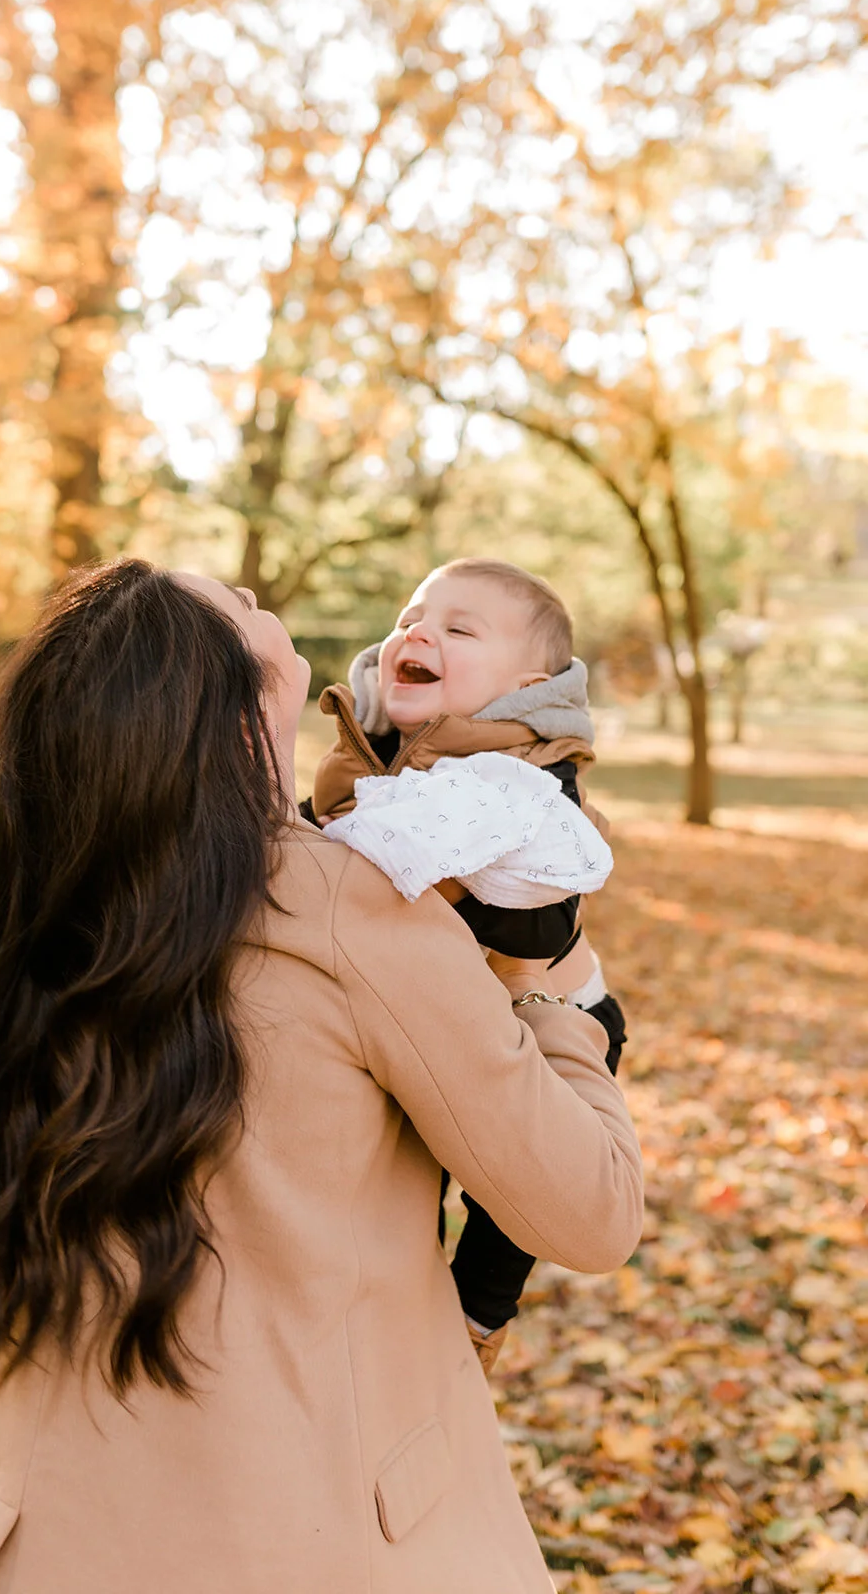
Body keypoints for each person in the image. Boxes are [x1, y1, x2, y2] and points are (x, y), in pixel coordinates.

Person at [0, 559, 642, 1594]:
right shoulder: (344, 904)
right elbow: (593, 1209)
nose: (261, 602)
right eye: (243, 611)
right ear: (238, 702)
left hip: (39, 1540)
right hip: (309, 1543)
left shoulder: (27, 902)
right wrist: (555, 987)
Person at [309, 557, 628, 1369]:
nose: (417, 632)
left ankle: (478, 1320)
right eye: (409, 618)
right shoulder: (382, 744)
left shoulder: (515, 773)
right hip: (460, 1017)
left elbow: (522, 925)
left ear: (524, 686)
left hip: (561, 1014)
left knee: (505, 1198)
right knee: (431, 1166)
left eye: (458, 628)